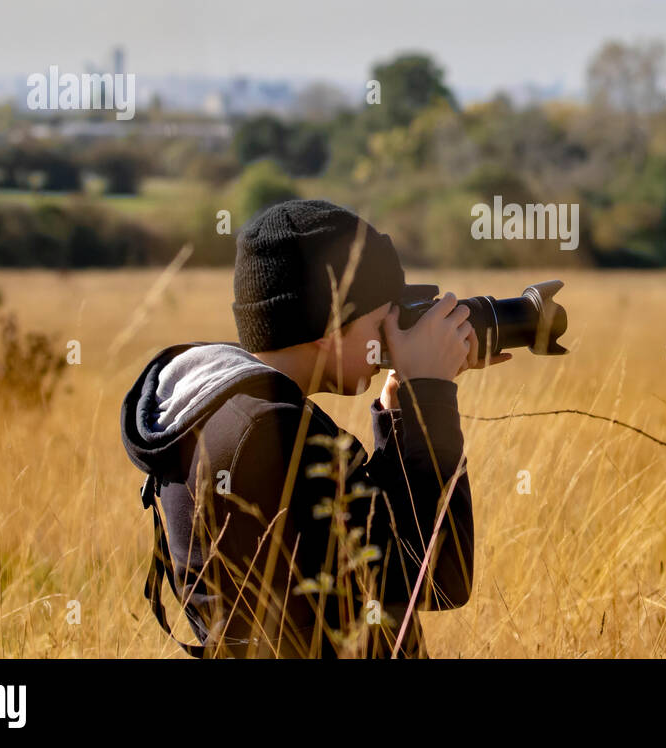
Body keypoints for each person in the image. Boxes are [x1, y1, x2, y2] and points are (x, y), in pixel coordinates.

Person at [119, 199, 507, 657]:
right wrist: (431, 399)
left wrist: (400, 408)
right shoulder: (272, 431)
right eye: (383, 319)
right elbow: (439, 577)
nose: (392, 336)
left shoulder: (212, 410)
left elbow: (366, 545)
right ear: (329, 323)